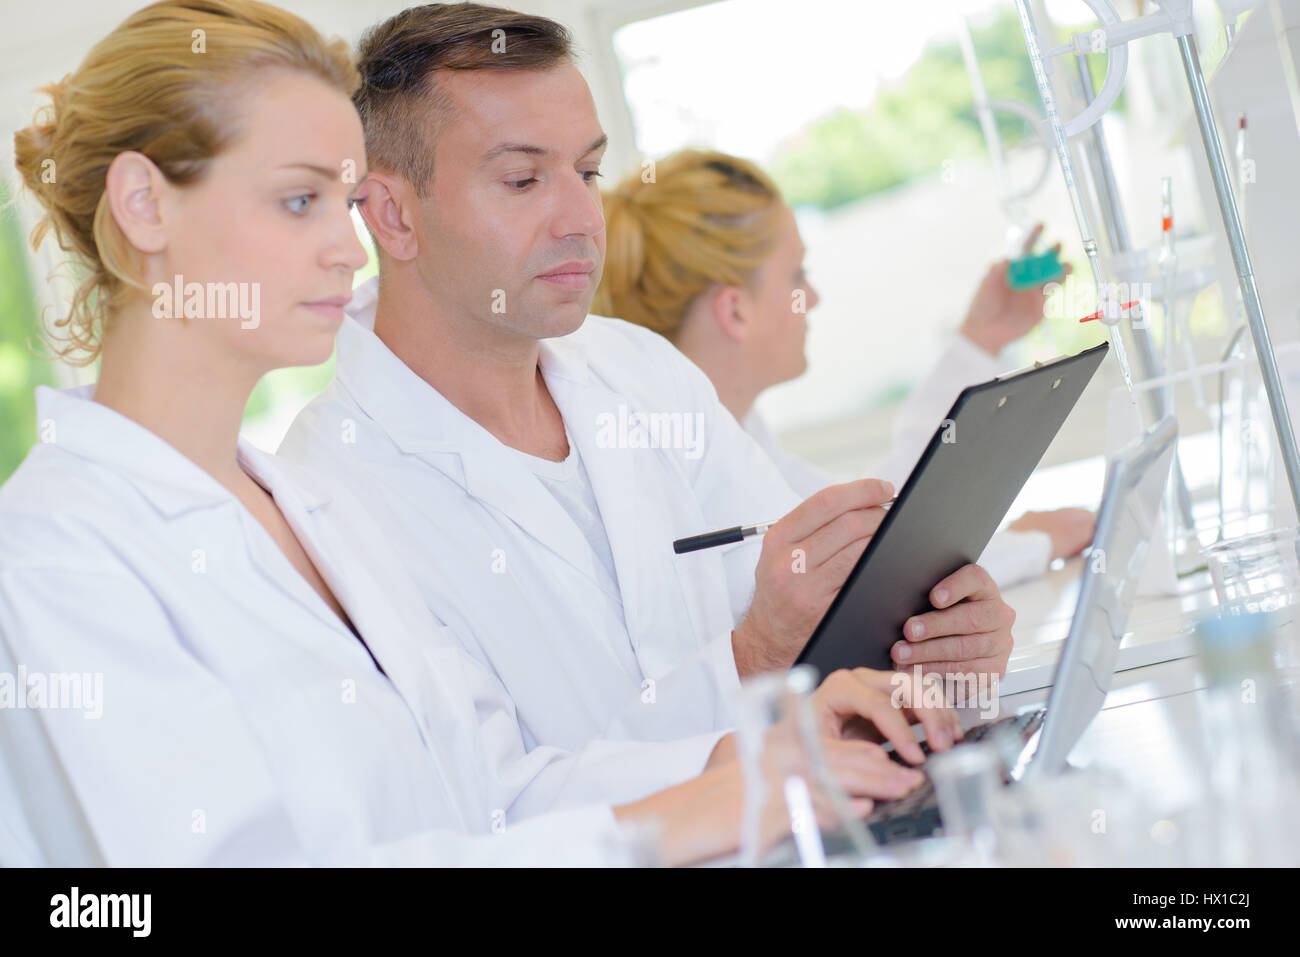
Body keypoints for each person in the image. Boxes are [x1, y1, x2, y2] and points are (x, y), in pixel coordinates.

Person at [0, 0, 948, 867]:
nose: (346, 241)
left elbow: (497, 793)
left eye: (340, 201)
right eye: (300, 201)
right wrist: (687, 816)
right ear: (143, 204)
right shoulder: (53, 550)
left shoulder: (301, 509)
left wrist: (761, 749)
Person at [278, 0, 1014, 824]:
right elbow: (487, 810)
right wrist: (750, 658)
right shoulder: (329, 498)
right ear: (391, 213)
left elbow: (819, 642)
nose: (579, 218)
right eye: (523, 180)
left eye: (587, 173)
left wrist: (929, 649)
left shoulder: (640, 373)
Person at [594, 149, 1096, 589]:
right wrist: (1030, 546)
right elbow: (872, 581)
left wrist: (981, 337)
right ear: (735, 311)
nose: (812, 298)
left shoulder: (737, 432)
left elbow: (876, 520)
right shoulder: (683, 467)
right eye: (797, 275)